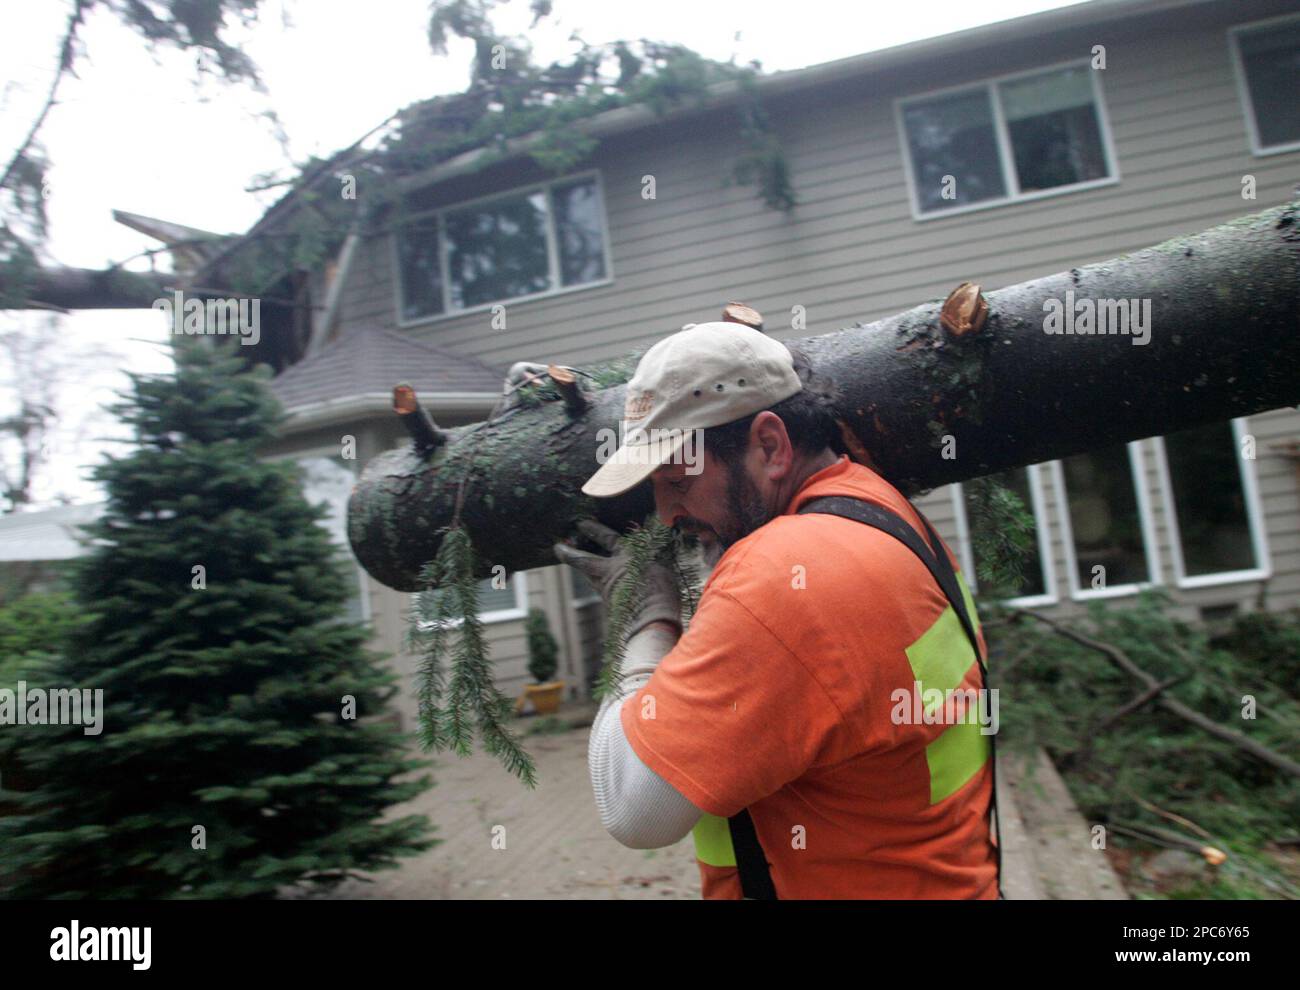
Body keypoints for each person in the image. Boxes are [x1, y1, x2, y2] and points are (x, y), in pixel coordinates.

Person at [554, 321, 999, 899]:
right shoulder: (876, 509)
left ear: (769, 445)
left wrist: (645, 620)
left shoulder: (781, 578)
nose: (666, 514)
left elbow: (633, 809)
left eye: (678, 479)